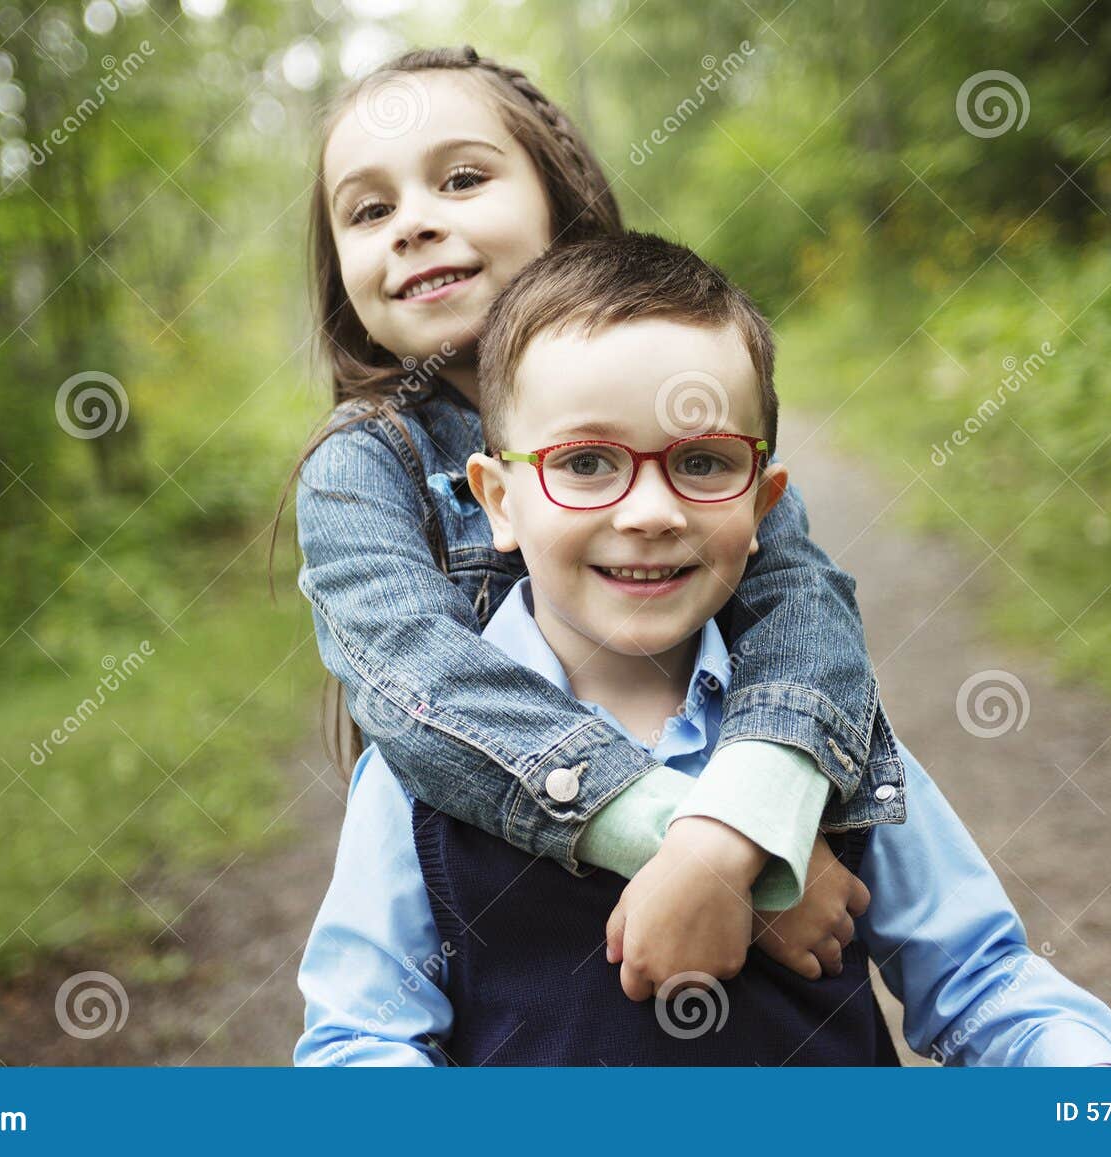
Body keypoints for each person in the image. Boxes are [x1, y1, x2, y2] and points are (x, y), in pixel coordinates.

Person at [294, 232, 1111, 1066]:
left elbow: (986, 987)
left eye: (701, 461)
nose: (652, 512)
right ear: (499, 501)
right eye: (586, 462)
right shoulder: (423, 772)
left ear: (764, 505)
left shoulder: (829, 737)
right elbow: (361, 1041)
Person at [287, 46, 902, 1000]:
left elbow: (804, 611)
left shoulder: (678, 390)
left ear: (561, 209)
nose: (412, 223)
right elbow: (416, 680)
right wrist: (699, 846)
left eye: (460, 178)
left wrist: (746, 817)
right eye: (369, 210)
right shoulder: (362, 465)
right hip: (509, 902)